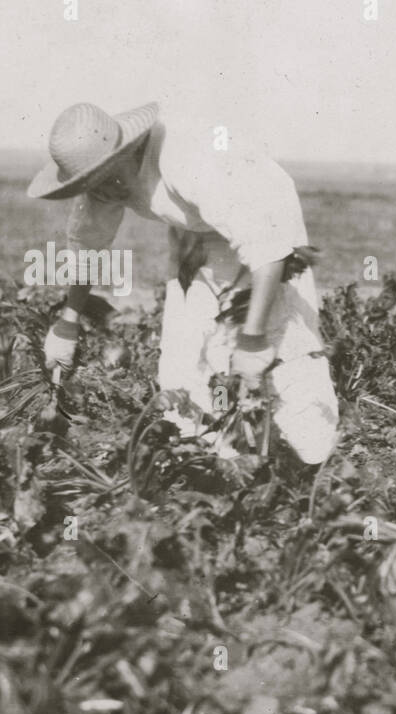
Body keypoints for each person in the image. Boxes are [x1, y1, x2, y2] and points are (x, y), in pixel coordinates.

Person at [28, 101, 338, 465]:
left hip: (264, 217)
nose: (100, 193)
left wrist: (253, 341)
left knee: (282, 343)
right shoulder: (105, 179)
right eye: (89, 184)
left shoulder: (188, 162)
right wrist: (67, 324)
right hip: (196, 224)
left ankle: (314, 462)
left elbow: (268, 249)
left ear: (126, 154)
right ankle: (205, 455)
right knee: (186, 354)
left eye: (102, 179)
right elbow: (88, 245)